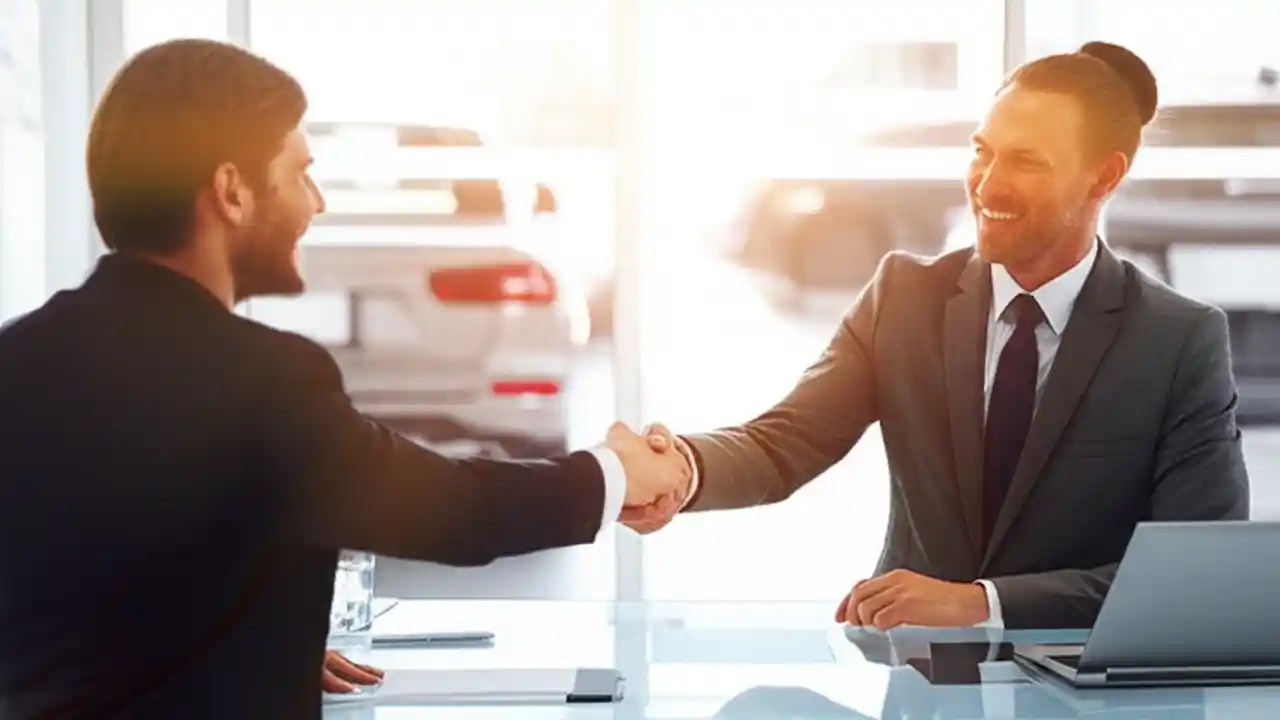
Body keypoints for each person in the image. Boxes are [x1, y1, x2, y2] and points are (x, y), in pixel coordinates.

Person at [0, 39, 686, 719]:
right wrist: (615, 474)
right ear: (232, 191)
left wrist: (261, 641)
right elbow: (457, 511)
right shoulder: (266, 381)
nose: (317, 202)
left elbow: (109, 557)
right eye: (301, 174)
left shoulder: (16, 358)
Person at [625, 42, 1249, 630]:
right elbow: (784, 442)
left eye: (1026, 161)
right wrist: (684, 469)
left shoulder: (1177, 340)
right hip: (918, 676)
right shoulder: (904, 298)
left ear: (1103, 178)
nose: (988, 184)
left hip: (1079, 682)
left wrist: (982, 604)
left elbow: (1196, 573)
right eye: (983, 151)